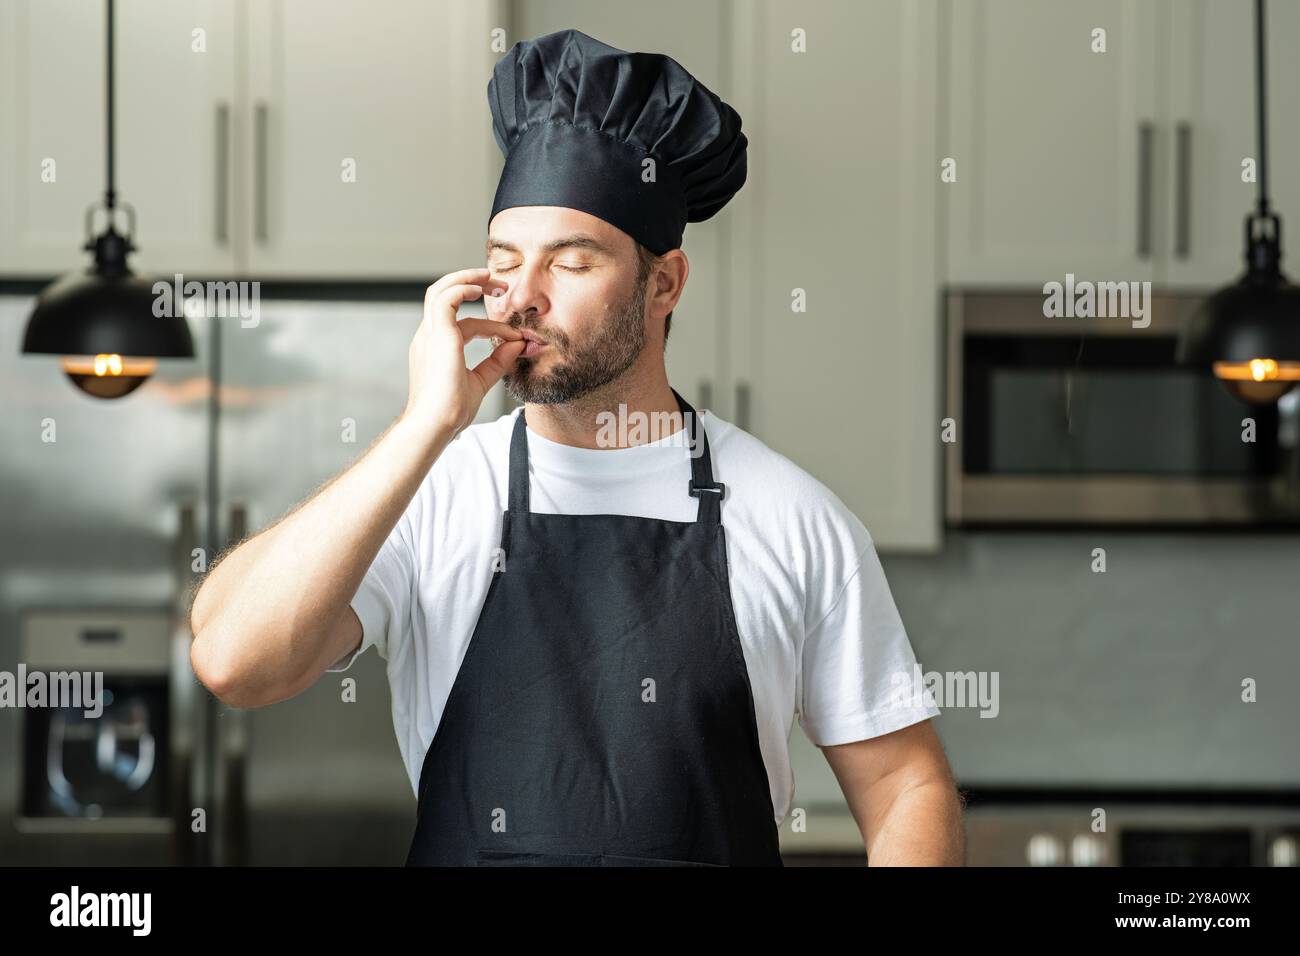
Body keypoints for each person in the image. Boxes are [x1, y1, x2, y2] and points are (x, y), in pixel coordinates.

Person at [189, 28, 963, 867]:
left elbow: (906, 788)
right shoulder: (436, 491)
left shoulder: (791, 516)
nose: (523, 298)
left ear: (663, 283)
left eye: (571, 261)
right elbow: (236, 662)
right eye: (504, 261)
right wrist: (424, 426)